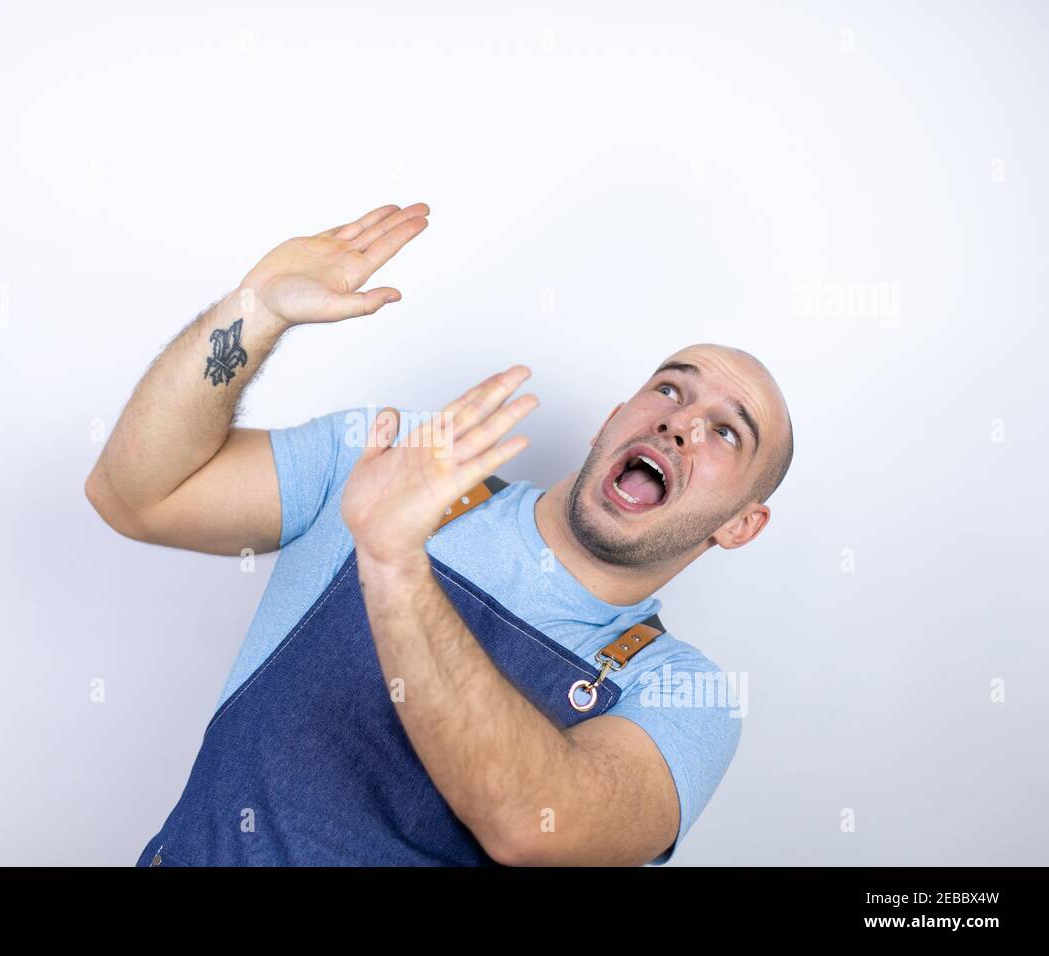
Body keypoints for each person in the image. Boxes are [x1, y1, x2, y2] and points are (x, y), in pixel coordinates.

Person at [84, 202, 794, 866]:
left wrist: (393, 565)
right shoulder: (384, 463)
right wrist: (254, 310)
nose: (680, 422)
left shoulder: (681, 692)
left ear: (742, 525)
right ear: (611, 421)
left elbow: (537, 822)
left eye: (727, 432)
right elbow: (135, 497)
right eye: (671, 390)